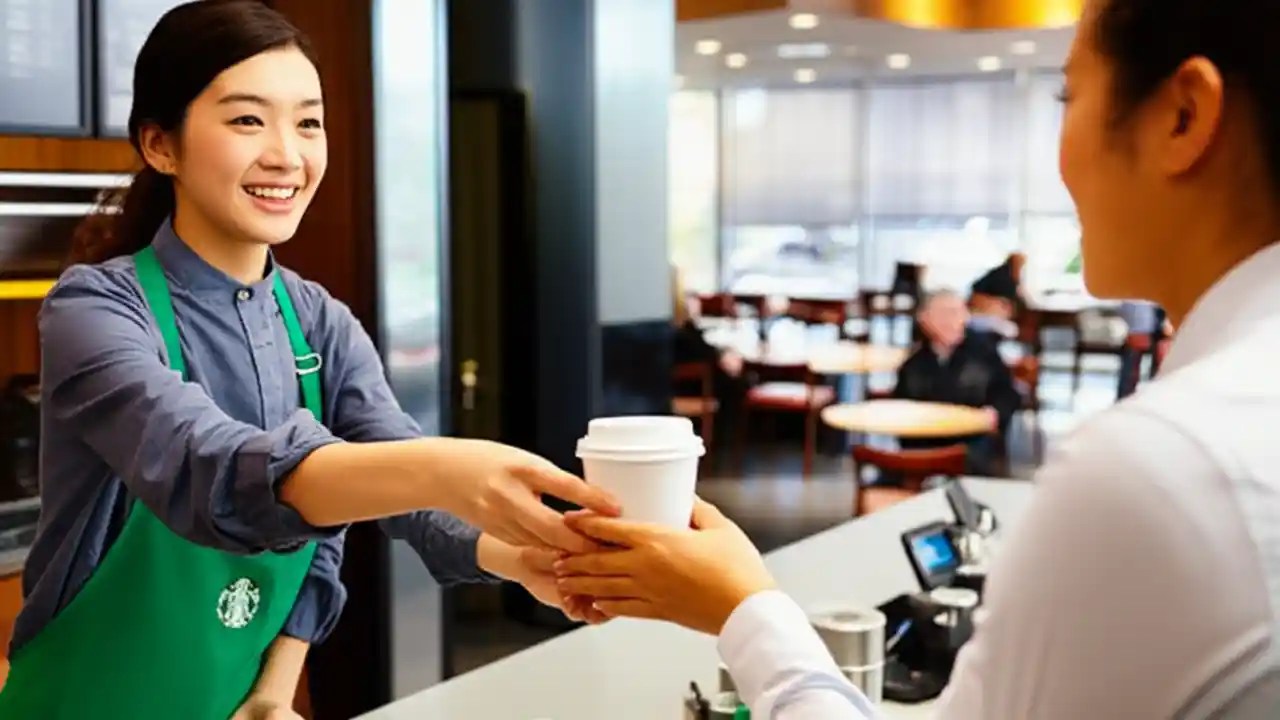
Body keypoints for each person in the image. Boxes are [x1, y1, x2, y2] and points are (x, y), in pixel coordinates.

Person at [555, 0, 1280, 717]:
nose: (1057, 157)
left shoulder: (1160, 470)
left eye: (1069, 95)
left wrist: (744, 609)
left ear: (1182, 116)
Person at [0, 3, 616, 718]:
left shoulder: (317, 321)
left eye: (308, 121)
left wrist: (525, 561)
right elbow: (205, 464)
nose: (287, 155)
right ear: (160, 145)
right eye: (246, 120)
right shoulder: (94, 309)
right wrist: (446, 468)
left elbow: (379, 489)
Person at [892, 290, 1020, 476]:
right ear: (925, 320)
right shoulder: (913, 364)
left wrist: (994, 414)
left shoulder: (985, 354)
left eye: (956, 313)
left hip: (970, 446)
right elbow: (902, 408)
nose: (950, 321)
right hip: (924, 445)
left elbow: (1007, 395)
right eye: (942, 314)